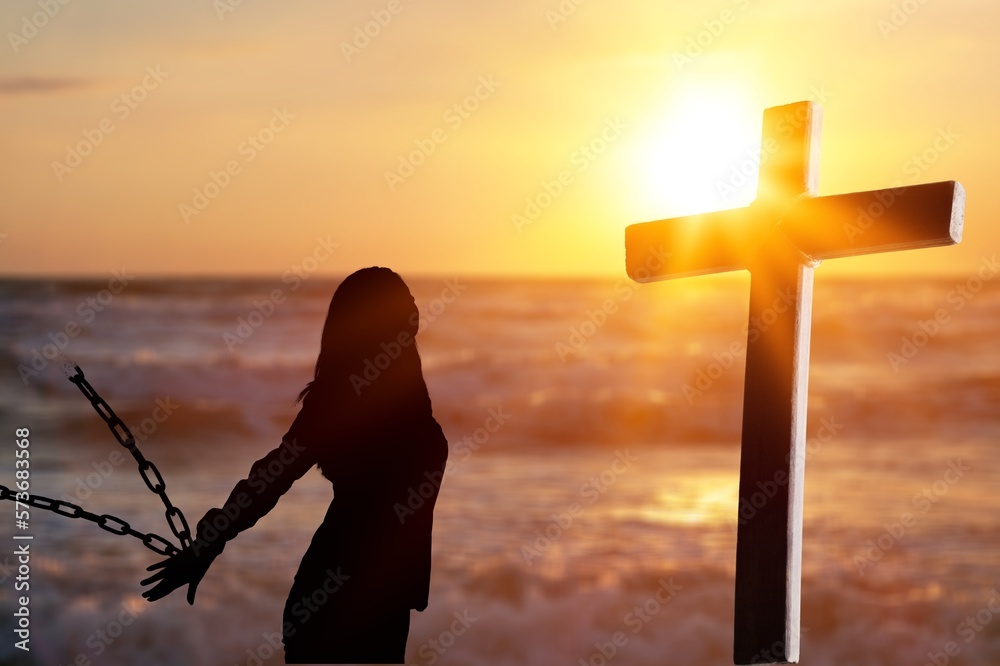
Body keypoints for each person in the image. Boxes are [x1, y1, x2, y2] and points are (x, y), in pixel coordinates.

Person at [141, 267, 449, 664]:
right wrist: (208, 543)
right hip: (334, 604)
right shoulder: (340, 401)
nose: (413, 308)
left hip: (383, 608)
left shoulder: (410, 406)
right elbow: (272, 476)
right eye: (400, 302)